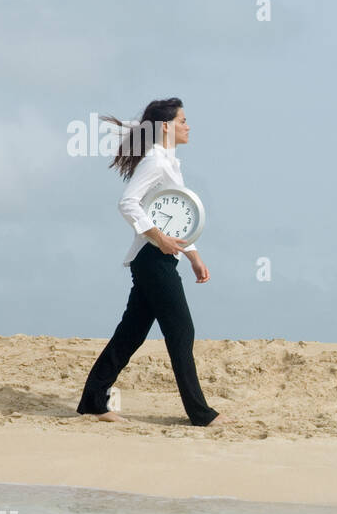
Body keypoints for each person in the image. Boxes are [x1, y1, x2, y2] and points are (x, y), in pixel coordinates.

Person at [75, 97, 228, 427]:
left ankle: (93, 400)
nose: (189, 126)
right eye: (183, 120)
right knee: (181, 330)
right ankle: (201, 414)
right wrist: (158, 238)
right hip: (151, 259)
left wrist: (194, 256)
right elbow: (127, 203)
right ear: (166, 127)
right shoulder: (156, 162)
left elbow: (178, 216)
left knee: (130, 334)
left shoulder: (169, 163)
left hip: (159, 260)